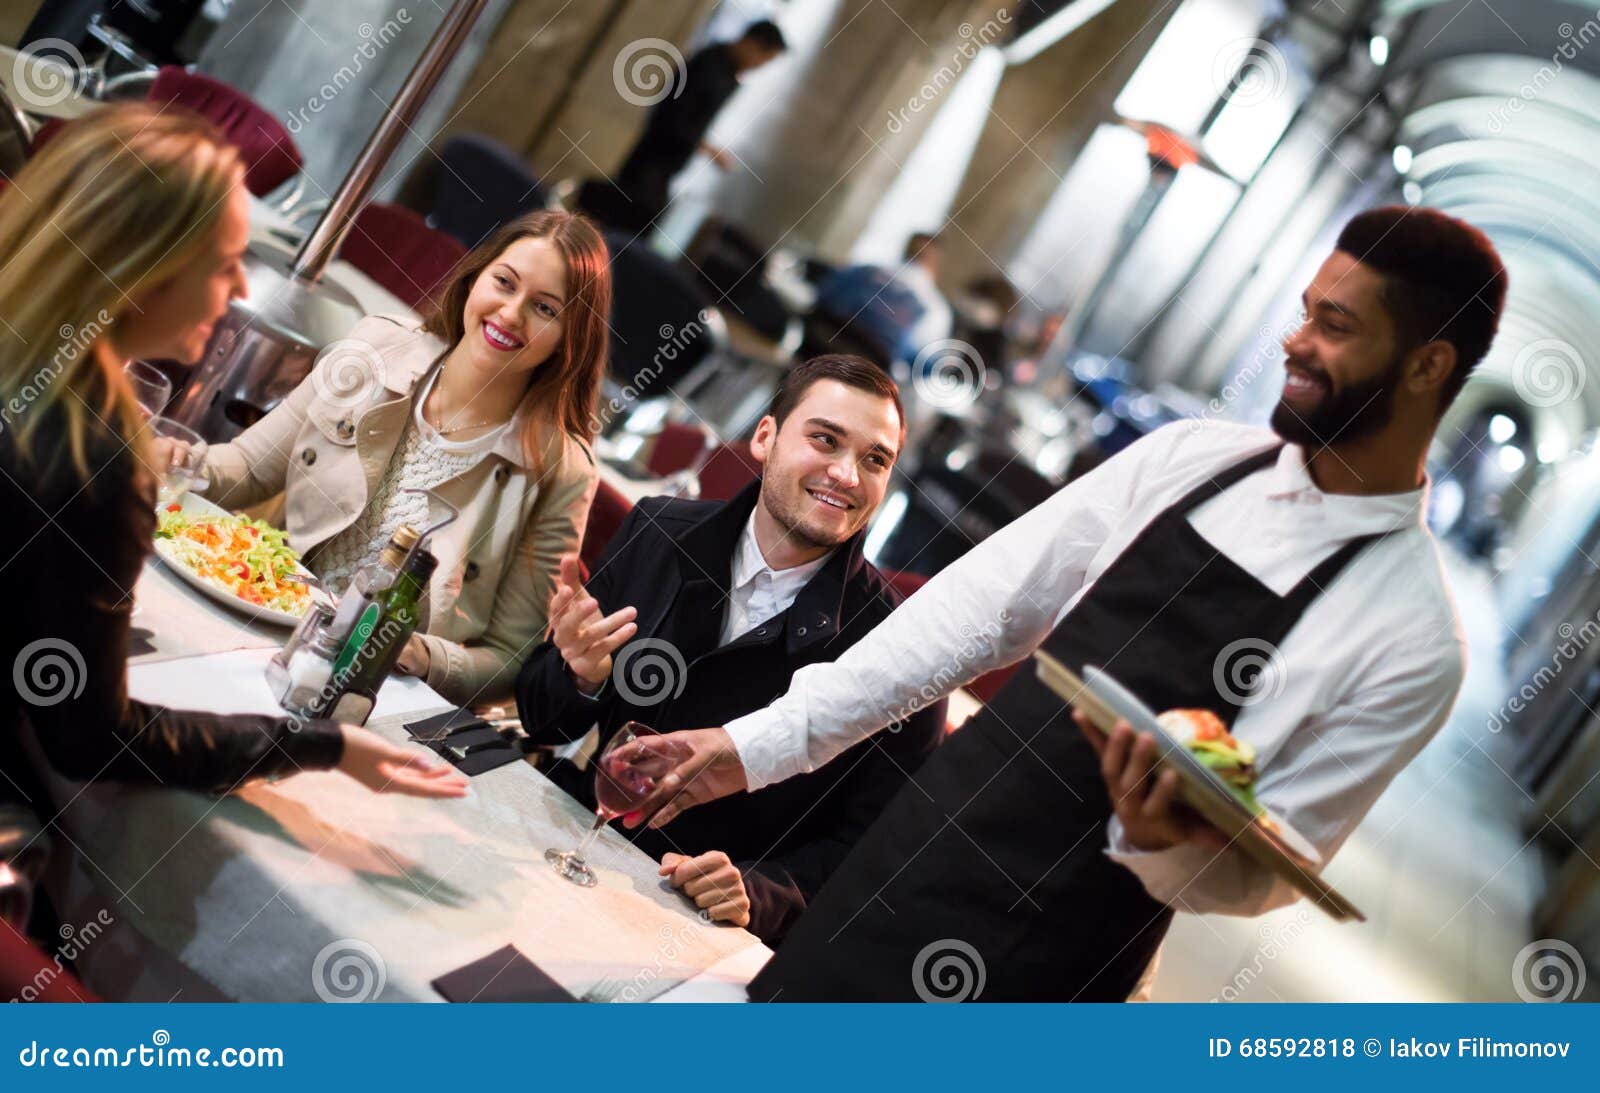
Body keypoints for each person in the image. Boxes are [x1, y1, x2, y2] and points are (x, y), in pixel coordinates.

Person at [621, 206, 1509, 999]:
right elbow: (972, 613)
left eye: (1335, 325)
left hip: (1065, 951)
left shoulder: (1413, 636)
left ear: (1428, 364)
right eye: (1307, 309)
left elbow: (1279, 864)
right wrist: (759, 744)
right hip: (928, 844)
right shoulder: (1193, 459)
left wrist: (1167, 838)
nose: (1296, 340)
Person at [0, 104, 469, 828]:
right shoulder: (96, 462)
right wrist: (321, 746)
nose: (243, 291)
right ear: (139, 275)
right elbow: (92, 736)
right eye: (224, 267)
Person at [515, 356, 944, 944]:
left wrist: (761, 892)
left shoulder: (905, 652)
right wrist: (579, 677)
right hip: (574, 847)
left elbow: (873, 855)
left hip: (697, 931)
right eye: (825, 439)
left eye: (875, 460)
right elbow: (542, 718)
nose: (847, 474)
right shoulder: (660, 530)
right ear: (765, 437)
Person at [186, 211, 609, 707]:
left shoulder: (562, 471)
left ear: (570, 338)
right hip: (262, 622)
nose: (511, 314)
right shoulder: (376, 347)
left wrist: (415, 654)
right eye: (504, 283)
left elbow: (510, 660)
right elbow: (246, 469)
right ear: (475, 278)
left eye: (544, 308)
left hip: (377, 691)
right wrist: (169, 461)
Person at [577, 20, 787, 233]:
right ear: (750, 43)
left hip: (667, 169)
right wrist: (705, 147)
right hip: (652, 161)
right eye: (764, 58)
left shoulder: (727, 75)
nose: (760, 66)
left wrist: (703, 145)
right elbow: (673, 117)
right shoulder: (707, 65)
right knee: (624, 224)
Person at [812, 232, 954, 366]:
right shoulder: (936, 310)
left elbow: (821, 295)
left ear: (906, 250)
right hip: (866, 377)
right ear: (936, 264)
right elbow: (924, 364)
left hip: (813, 350)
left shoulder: (863, 270)